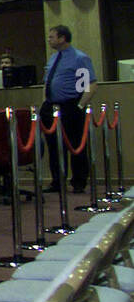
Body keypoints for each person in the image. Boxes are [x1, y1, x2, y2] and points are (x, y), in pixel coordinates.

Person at [41, 24, 94, 193]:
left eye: (52, 37)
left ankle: (79, 182)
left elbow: (88, 84)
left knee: (76, 144)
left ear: (62, 38)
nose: (49, 40)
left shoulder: (79, 58)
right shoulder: (53, 58)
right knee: (54, 146)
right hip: (51, 106)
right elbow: (47, 82)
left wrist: (79, 105)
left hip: (71, 105)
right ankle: (57, 180)